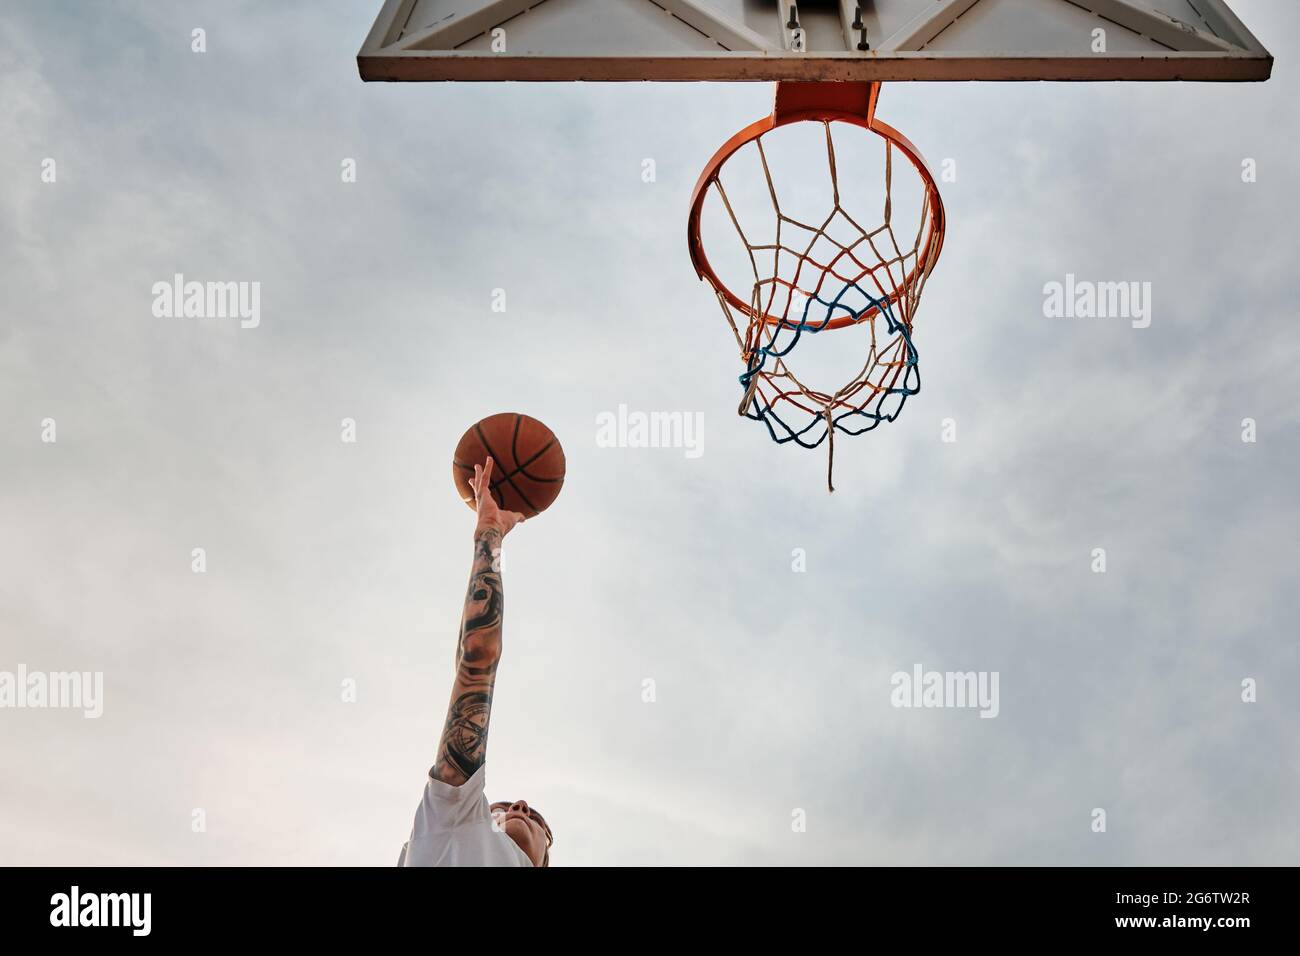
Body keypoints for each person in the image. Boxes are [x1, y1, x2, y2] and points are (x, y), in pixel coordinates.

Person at [398, 457, 554, 867]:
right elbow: (478, 656)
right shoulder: (459, 820)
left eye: (536, 818)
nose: (521, 806)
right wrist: (490, 535)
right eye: (498, 809)